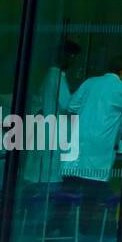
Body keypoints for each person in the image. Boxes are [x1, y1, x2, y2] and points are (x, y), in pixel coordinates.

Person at [61, 56, 122, 189]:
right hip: (101, 144)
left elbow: (72, 106)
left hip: (79, 138)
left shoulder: (90, 82)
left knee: (71, 184)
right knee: (92, 188)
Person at [23, 39, 80, 185]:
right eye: (72, 57)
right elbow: (68, 104)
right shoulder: (56, 76)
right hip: (52, 130)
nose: (73, 62)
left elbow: (38, 102)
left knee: (40, 170)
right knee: (48, 175)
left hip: (46, 128)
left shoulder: (51, 75)